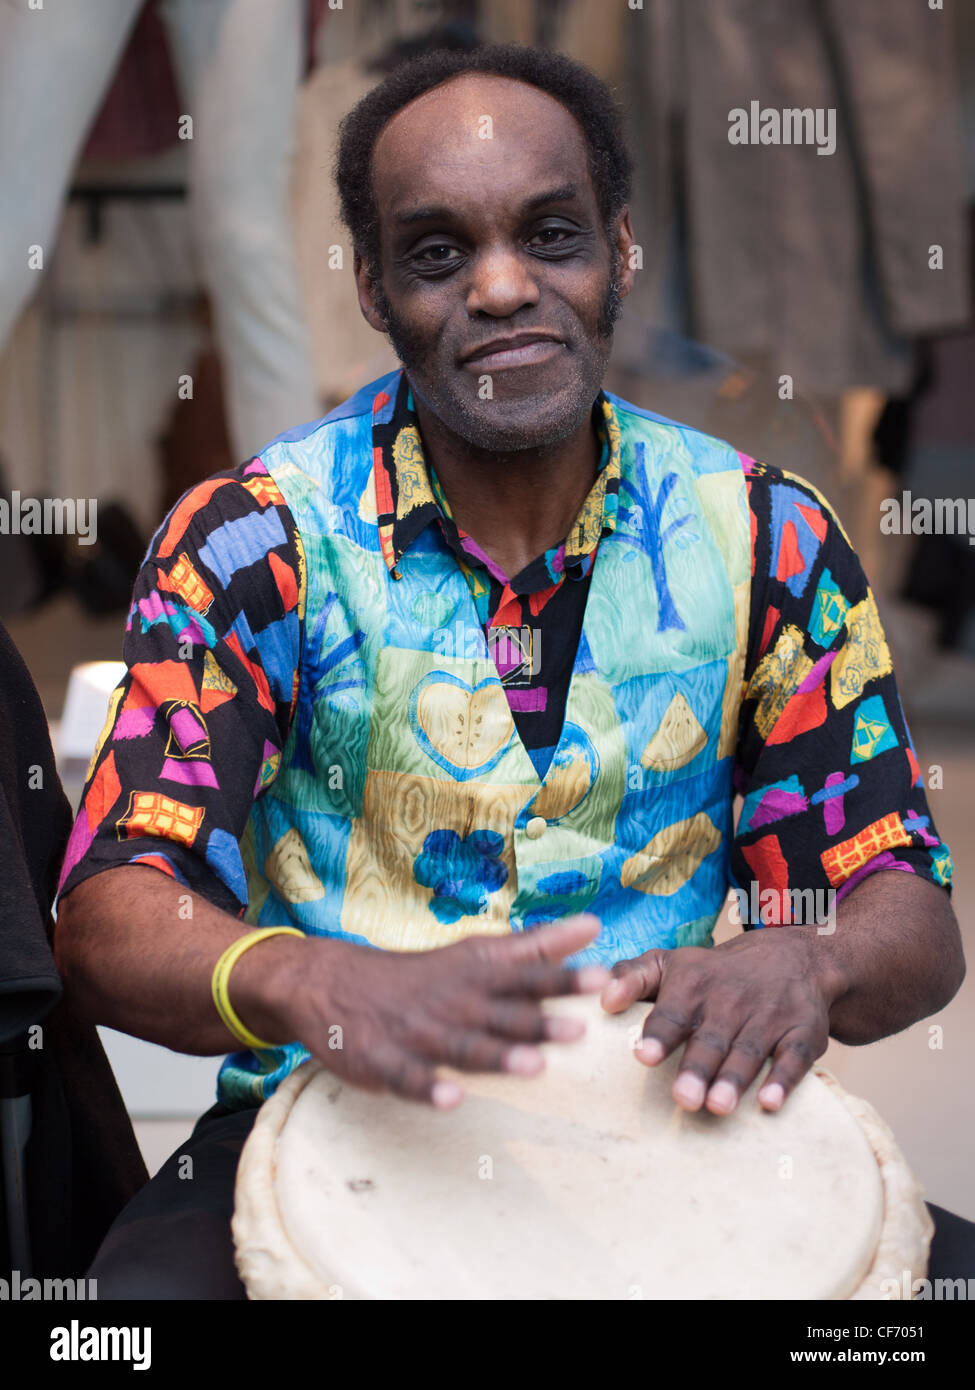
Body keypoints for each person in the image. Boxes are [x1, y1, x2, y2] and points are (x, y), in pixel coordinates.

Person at [54, 44, 966, 1299]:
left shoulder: (769, 535)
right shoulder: (252, 542)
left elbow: (908, 910)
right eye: (437, 253)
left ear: (622, 251)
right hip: (321, 1124)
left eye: (552, 235)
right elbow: (108, 914)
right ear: (371, 286)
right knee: (107, 1333)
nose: (501, 287)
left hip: (679, 1130)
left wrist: (809, 960)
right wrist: (314, 977)